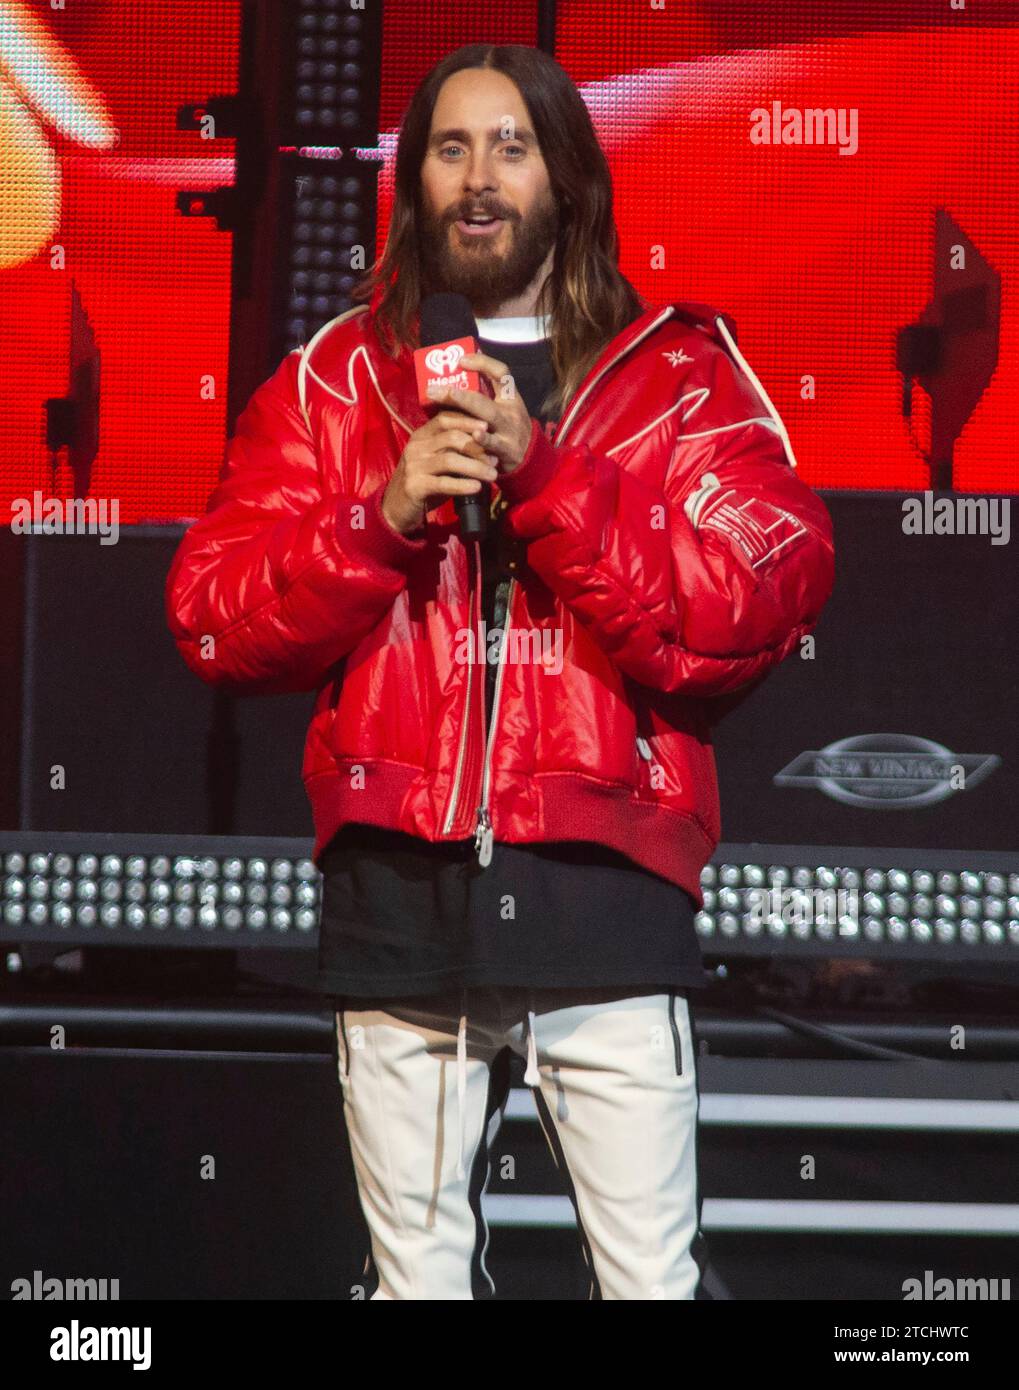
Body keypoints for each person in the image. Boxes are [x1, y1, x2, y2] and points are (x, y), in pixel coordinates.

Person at [165, 43, 835, 1300]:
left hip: (604, 895)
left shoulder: (680, 374)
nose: (478, 179)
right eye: (449, 148)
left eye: (511, 148)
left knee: (649, 1283)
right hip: (397, 902)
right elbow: (210, 616)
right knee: (415, 1286)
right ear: (412, 180)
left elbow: (753, 601)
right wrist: (376, 517)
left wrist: (546, 477)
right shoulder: (337, 380)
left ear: (569, 181)